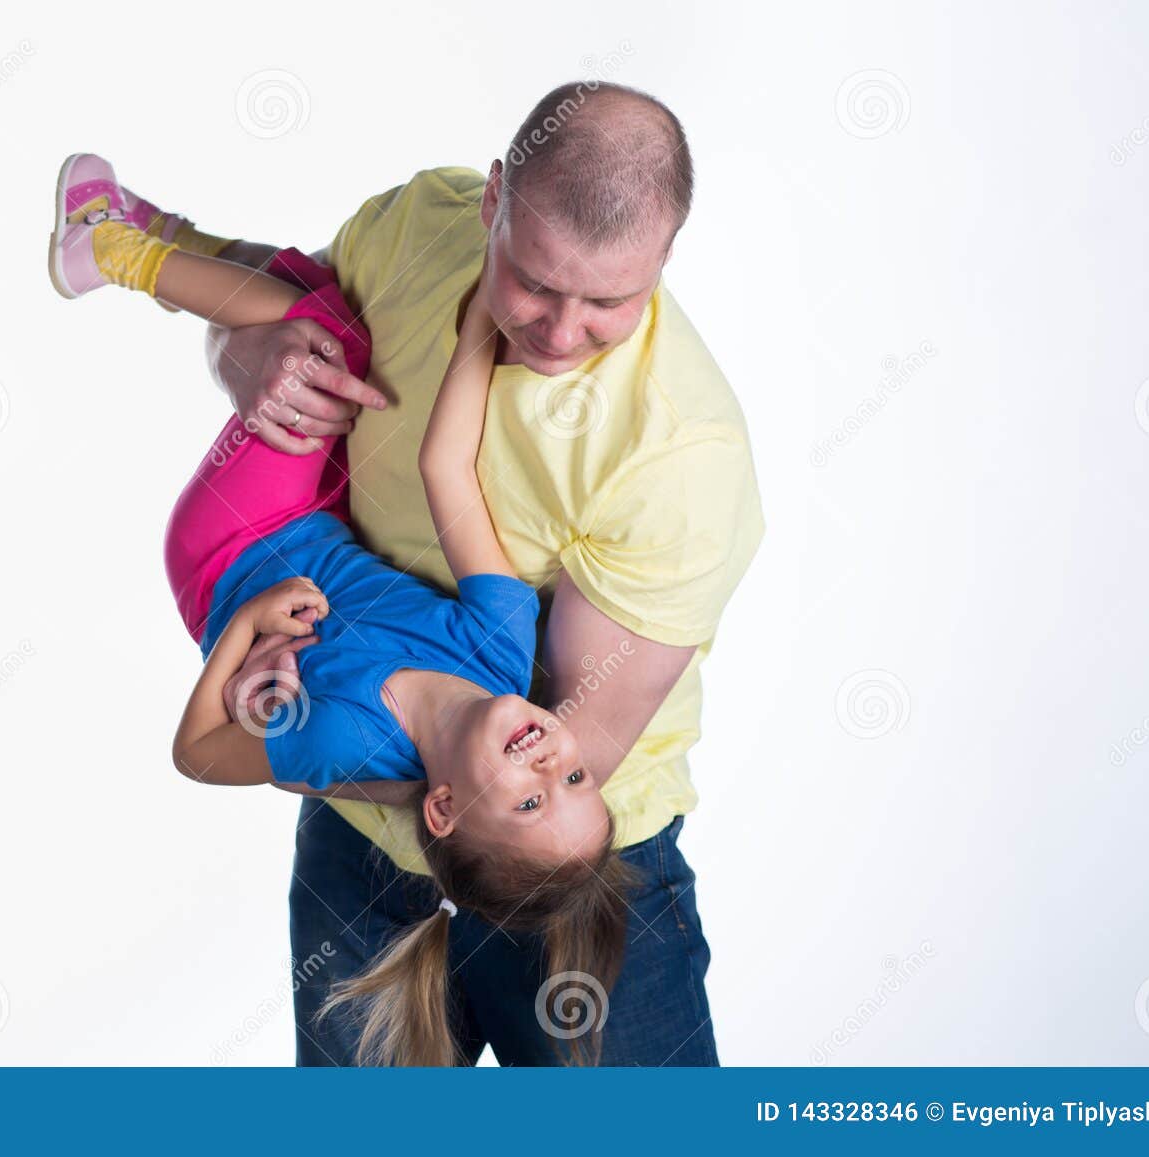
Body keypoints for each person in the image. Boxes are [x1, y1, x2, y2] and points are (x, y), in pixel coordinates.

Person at [201, 81, 767, 1066]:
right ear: (493, 200)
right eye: (537, 283)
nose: (558, 329)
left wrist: (312, 732)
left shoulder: (680, 455)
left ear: (666, 255)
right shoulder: (415, 226)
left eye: (608, 301)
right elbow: (272, 302)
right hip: (363, 843)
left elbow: (558, 738)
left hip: (568, 878)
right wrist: (245, 348)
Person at [50, 153, 634, 1065]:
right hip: (315, 510)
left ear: (441, 810)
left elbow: (198, 755)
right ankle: (156, 230)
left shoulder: (342, 746)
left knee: (324, 335)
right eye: (576, 780)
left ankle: (110, 251)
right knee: (318, 293)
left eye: (527, 800)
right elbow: (449, 470)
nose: (550, 762)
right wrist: (483, 318)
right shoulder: (500, 645)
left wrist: (243, 631)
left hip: (229, 547)